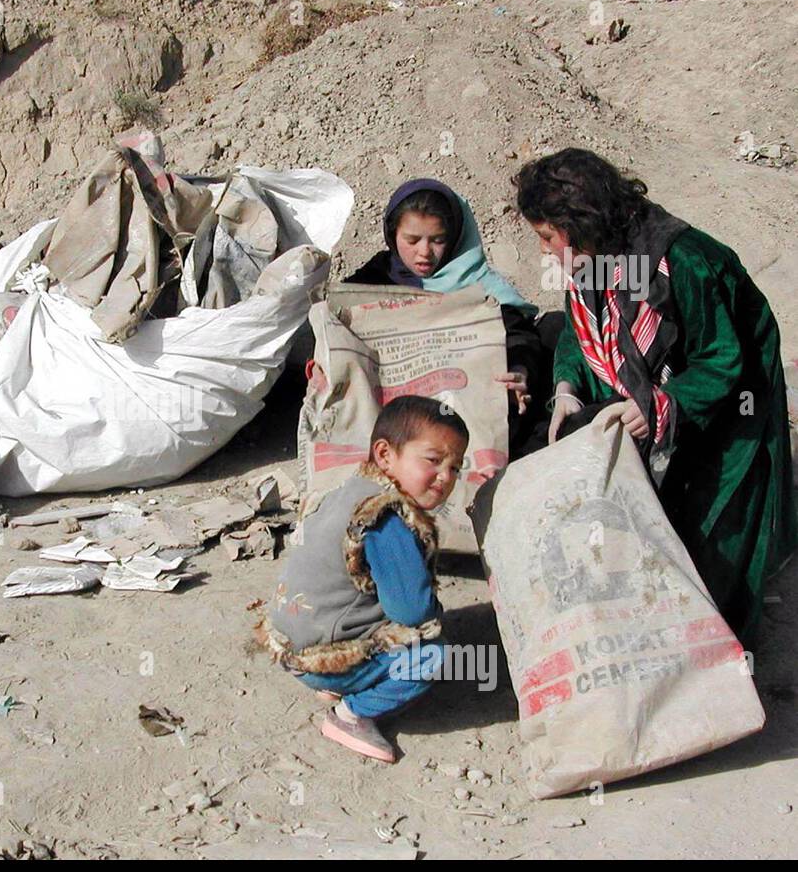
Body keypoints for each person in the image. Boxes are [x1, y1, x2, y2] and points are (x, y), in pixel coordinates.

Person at [516, 147, 796, 639]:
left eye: (546, 236)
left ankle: (722, 652)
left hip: (727, 401)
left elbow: (723, 359)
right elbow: (581, 336)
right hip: (658, 399)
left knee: (718, 526)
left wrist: (660, 406)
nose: (543, 250)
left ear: (578, 223)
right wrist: (566, 389)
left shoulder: (685, 263)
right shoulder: (594, 259)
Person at [256, 395, 468, 763]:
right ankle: (351, 714)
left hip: (292, 639)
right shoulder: (386, 517)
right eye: (433, 461)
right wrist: (432, 610)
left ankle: (338, 679)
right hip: (319, 656)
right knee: (436, 655)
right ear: (385, 454)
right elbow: (413, 612)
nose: (445, 477)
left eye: (455, 468)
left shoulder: (353, 490)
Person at [345, 178, 547, 456]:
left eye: (438, 240)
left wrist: (520, 370)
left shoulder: (478, 284)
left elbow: (516, 333)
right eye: (412, 240)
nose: (424, 252)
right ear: (393, 235)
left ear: (454, 238)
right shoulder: (376, 277)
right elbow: (339, 317)